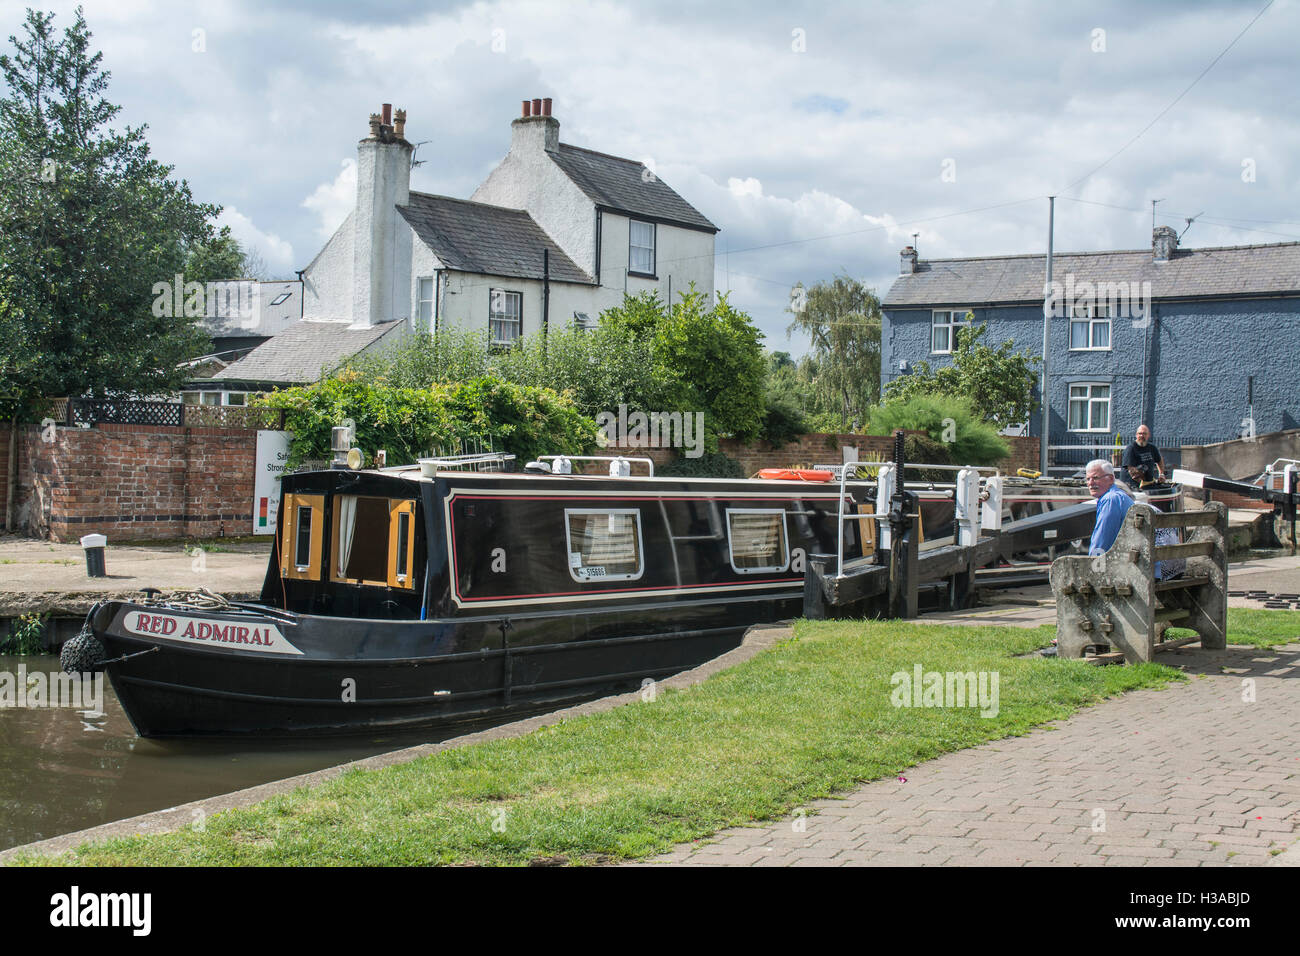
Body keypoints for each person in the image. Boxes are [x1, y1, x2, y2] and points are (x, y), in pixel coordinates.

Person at [1086, 459, 1133, 556]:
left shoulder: (1110, 499)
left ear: (1111, 479)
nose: (1090, 483)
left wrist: (1093, 565)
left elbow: (1102, 540)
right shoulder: (1117, 495)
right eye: (1088, 479)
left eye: (1095, 478)